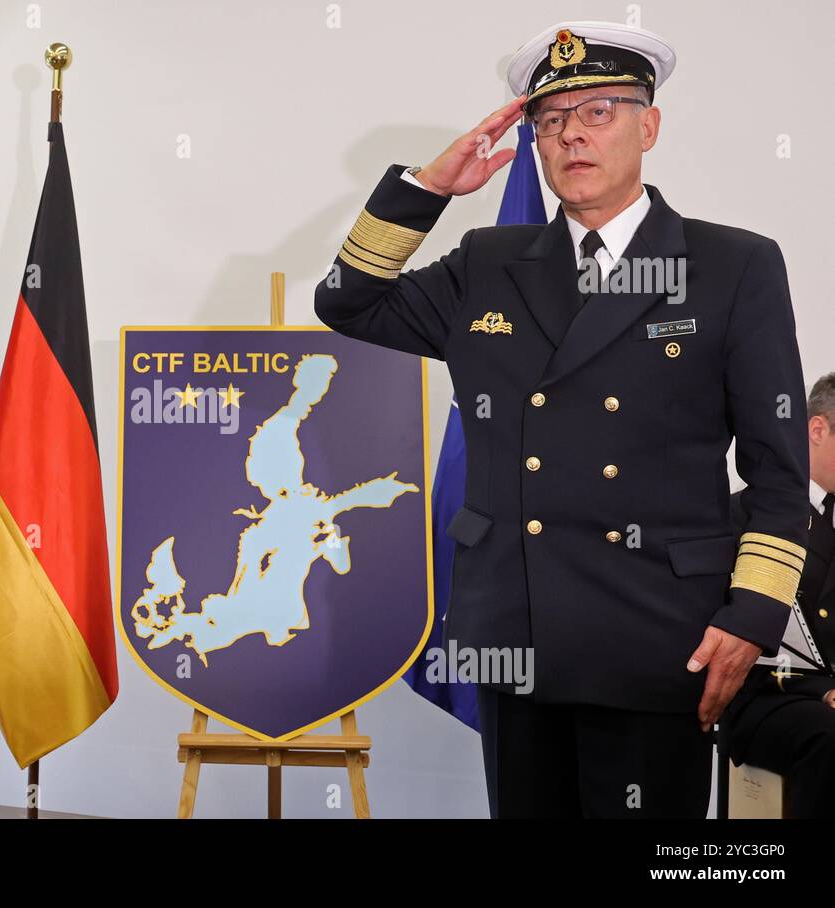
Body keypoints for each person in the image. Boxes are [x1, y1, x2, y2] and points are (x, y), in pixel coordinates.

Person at [314, 21, 808, 817]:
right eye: (550, 120)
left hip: (659, 636)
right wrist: (428, 188)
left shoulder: (733, 265)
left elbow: (780, 475)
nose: (572, 133)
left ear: (649, 125)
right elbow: (347, 300)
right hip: (519, 629)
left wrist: (752, 617)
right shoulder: (488, 263)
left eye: (600, 111)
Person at [722, 375, 835, 817]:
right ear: (817, 430)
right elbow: (734, 626)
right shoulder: (742, 514)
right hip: (766, 697)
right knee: (828, 738)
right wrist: (824, 689)